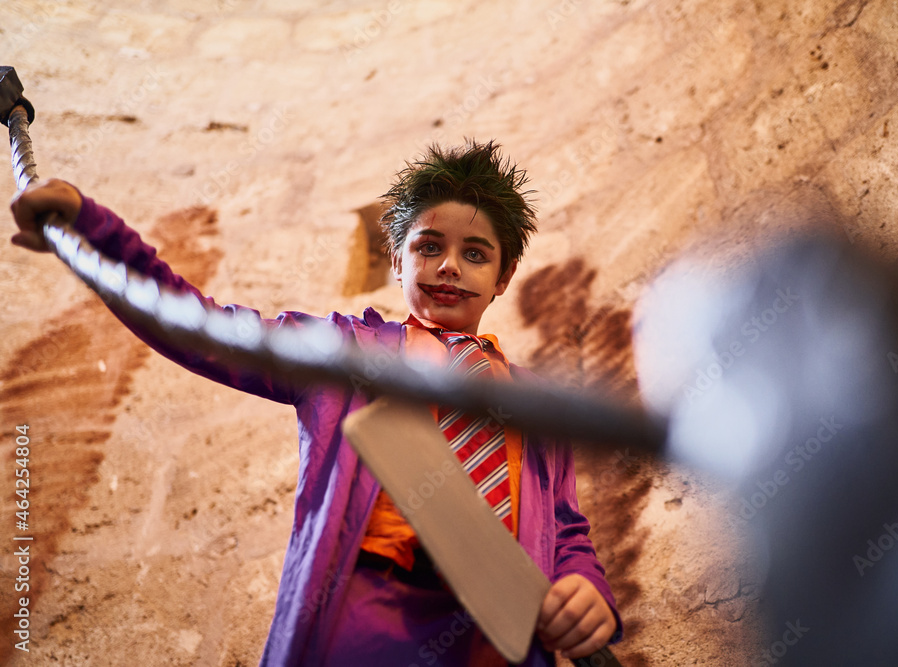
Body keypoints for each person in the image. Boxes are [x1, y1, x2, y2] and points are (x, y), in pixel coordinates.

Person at [9, 140, 621, 665]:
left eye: (475, 254)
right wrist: (92, 228)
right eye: (428, 246)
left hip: (498, 637)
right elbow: (198, 325)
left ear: (505, 275)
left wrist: (585, 589)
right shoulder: (341, 354)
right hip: (360, 620)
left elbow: (567, 529)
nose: (449, 267)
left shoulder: (541, 407)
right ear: (398, 256)